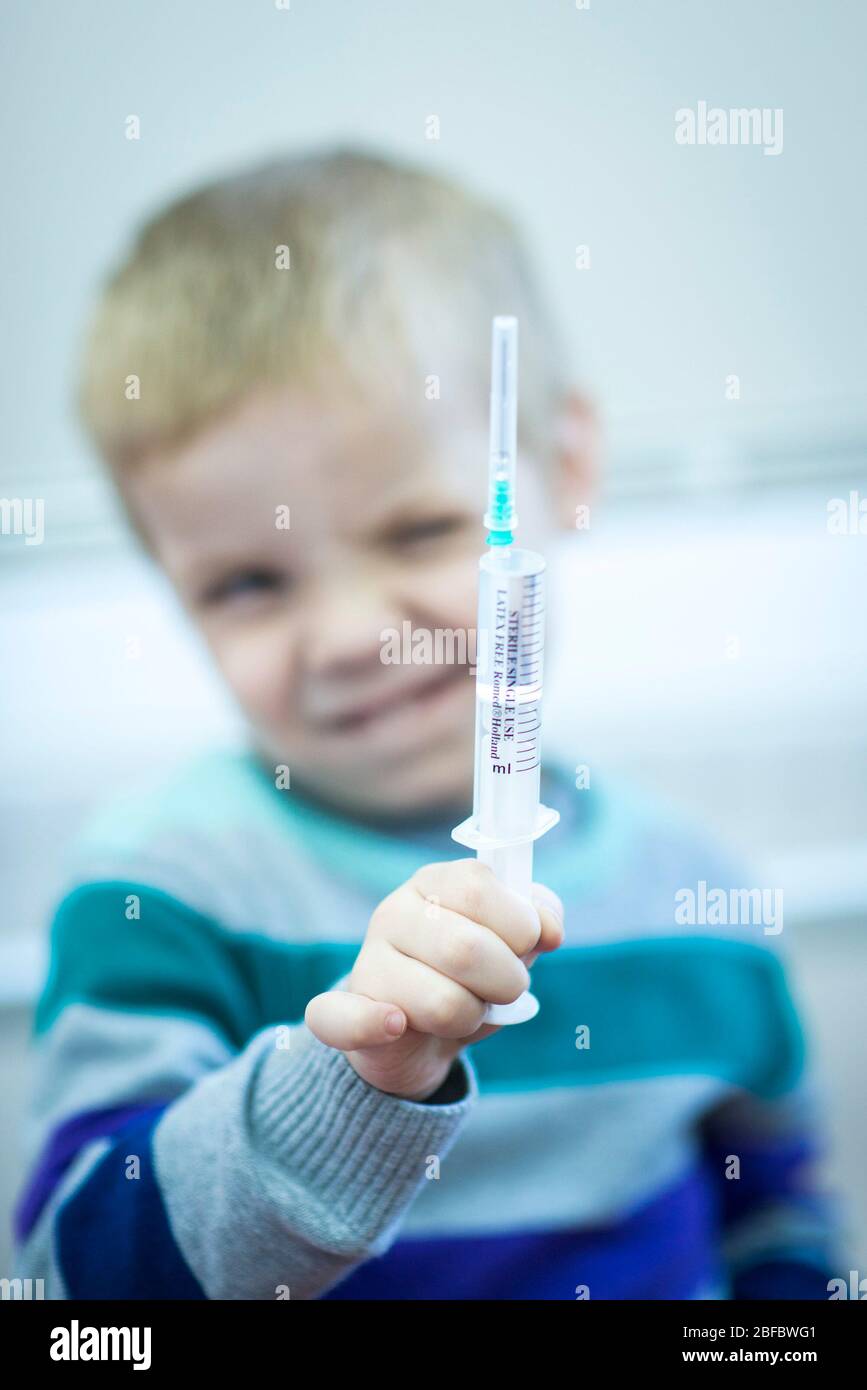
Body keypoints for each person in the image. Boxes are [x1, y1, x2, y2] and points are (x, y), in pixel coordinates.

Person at [14, 149, 840, 1299]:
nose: (353, 635)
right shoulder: (165, 895)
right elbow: (76, 1288)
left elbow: (776, 1222)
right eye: (250, 582)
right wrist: (346, 1085)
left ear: (570, 465)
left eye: (415, 533)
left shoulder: (697, 895)